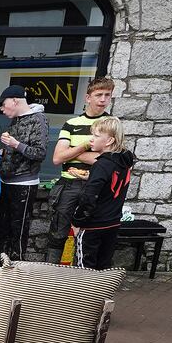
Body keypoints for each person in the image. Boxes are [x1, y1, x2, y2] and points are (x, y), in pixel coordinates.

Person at [46, 76, 116, 262]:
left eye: (107, 95)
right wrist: (86, 146)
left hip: (97, 185)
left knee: (89, 234)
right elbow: (57, 158)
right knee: (58, 232)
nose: (103, 99)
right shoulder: (72, 124)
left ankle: (82, 274)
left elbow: (109, 160)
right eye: (99, 95)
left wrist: (71, 153)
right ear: (88, 98)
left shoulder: (112, 124)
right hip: (68, 184)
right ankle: (49, 273)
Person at [71, 115, 135, 270]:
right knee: (103, 268)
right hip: (113, 223)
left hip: (93, 225)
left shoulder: (101, 165)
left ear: (109, 140)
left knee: (85, 270)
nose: (91, 139)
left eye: (96, 135)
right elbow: (110, 185)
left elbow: (89, 197)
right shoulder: (124, 163)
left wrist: (77, 221)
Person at [0, 85, 49, 261]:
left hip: (24, 183)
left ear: (15, 101)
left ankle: (16, 268)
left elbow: (40, 153)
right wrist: (3, 152)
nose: (1, 109)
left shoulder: (38, 119)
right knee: (1, 228)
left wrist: (15, 144)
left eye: (3, 104)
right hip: (5, 180)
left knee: (18, 228)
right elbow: (15, 150)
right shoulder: (15, 120)